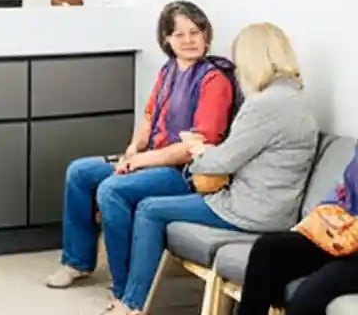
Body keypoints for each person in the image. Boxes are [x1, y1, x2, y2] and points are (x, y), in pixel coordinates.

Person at [104, 23, 320, 315]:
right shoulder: (294, 97)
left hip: (252, 211)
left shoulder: (265, 105)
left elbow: (222, 161)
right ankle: (131, 298)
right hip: (273, 207)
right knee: (148, 205)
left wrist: (197, 150)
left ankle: (131, 305)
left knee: (149, 210)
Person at [46, 1, 238, 300]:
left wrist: (138, 161)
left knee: (112, 190)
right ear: (166, 40)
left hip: (184, 173)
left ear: (206, 35)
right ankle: (77, 262)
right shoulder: (168, 70)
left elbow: (193, 148)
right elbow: (149, 117)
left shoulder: (214, 80)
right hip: (150, 160)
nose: (189, 40)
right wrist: (132, 149)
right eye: (179, 34)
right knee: (80, 172)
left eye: (195, 32)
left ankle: (123, 290)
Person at [237, 144, 358, 315]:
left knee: (307, 297)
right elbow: (340, 194)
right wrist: (313, 225)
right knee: (267, 249)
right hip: (342, 235)